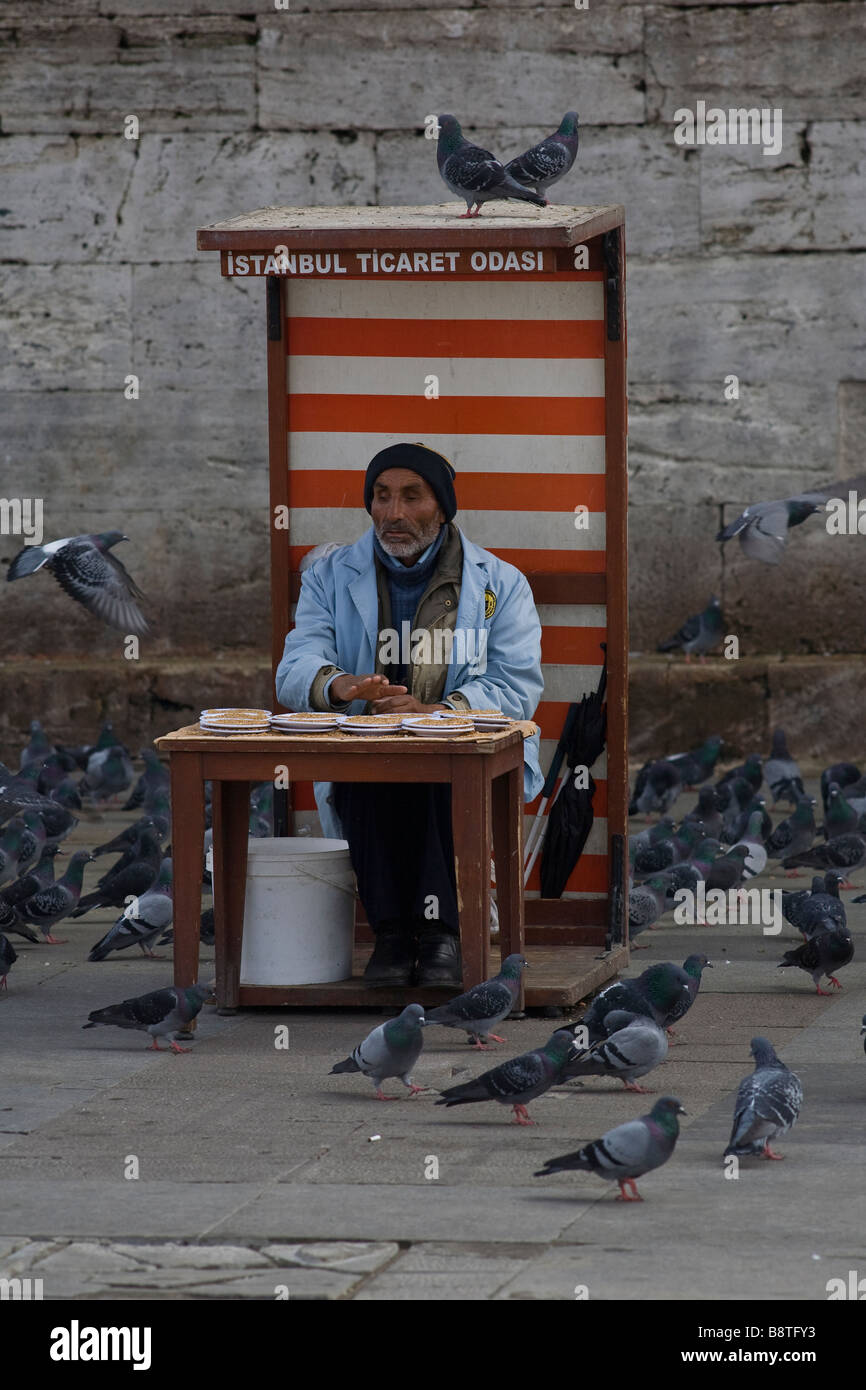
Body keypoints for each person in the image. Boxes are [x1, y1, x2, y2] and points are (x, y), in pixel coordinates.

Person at [275, 442, 543, 987]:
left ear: (442, 509)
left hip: (460, 751)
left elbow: (516, 687)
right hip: (367, 745)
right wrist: (340, 684)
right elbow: (296, 664)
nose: (394, 514)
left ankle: (441, 935)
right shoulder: (329, 574)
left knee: (434, 770)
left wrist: (434, 713)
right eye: (381, 497)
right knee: (371, 770)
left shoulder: (500, 583)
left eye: (411, 497)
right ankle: (392, 936)